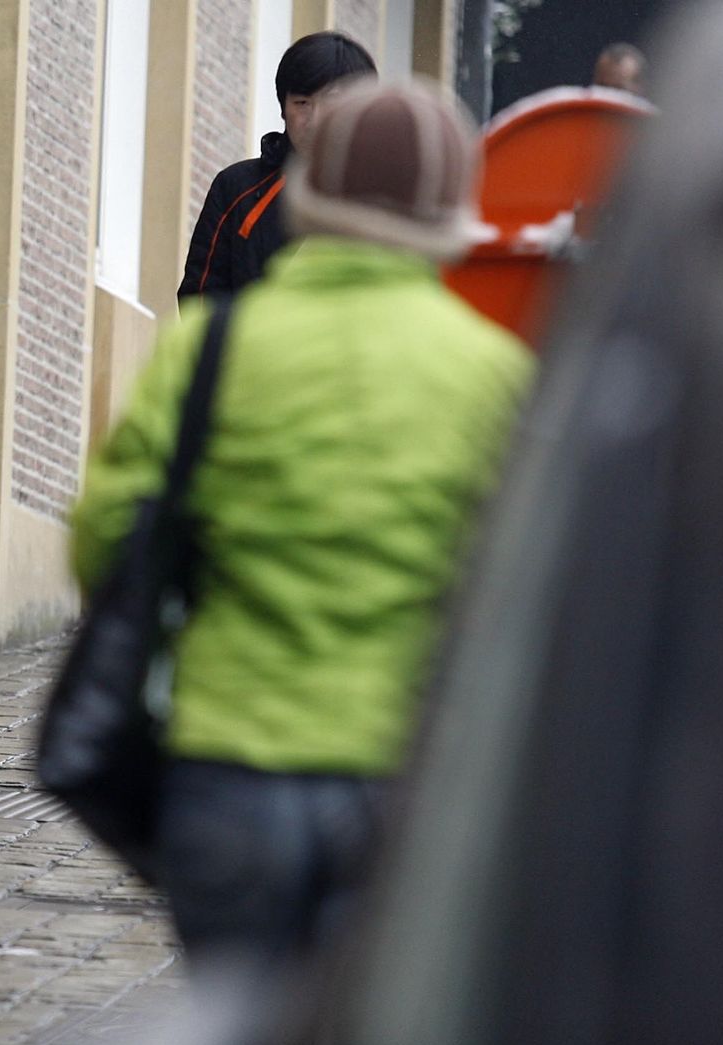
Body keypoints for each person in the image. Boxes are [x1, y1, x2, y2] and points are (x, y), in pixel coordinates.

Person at [71, 82, 532, 968]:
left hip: (226, 766)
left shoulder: (211, 351)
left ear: (313, 191)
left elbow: (105, 539)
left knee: (240, 1015)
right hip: (412, 780)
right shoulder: (497, 377)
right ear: (450, 215)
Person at [179, 31, 377, 299]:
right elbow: (200, 299)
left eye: (332, 102)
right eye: (302, 103)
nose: (315, 119)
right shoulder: (238, 189)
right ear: (283, 109)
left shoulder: (389, 203)